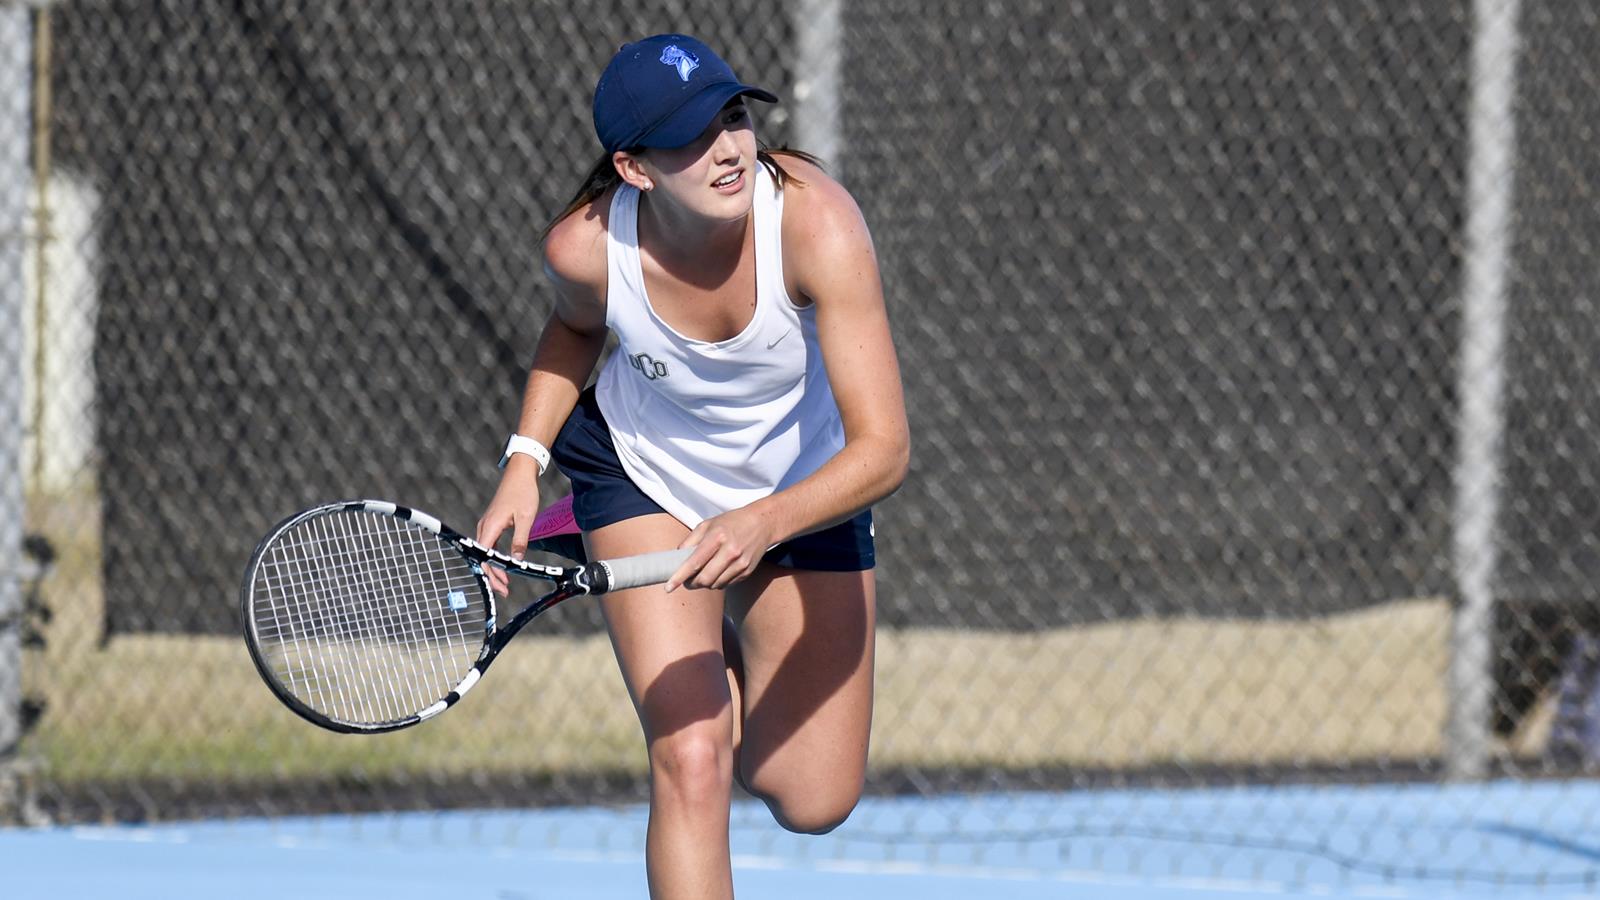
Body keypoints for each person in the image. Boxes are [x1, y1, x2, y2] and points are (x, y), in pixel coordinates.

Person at [475, 33, 909, 900]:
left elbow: (884, 449)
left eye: (735, 117)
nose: (728, 149)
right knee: (692, 754)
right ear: (635, 169)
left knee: (813, 797)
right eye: (690, 137)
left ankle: (721, 632)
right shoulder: (585, 247)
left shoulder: (817, 223)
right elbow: (574, 329)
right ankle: (597, 528)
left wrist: (762, 525)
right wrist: (524, 464)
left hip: (798, 495)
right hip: (646, 477)